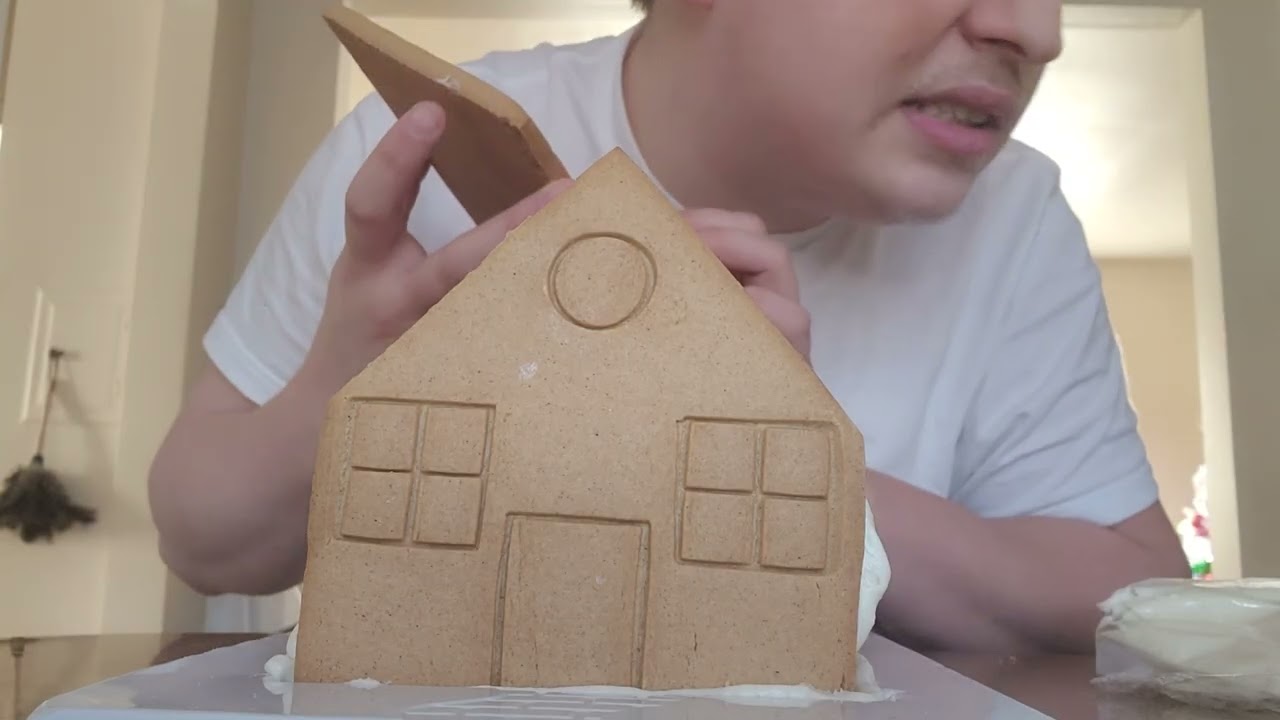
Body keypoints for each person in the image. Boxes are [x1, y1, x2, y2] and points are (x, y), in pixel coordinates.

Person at [148, 0, 1190, 655]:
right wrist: (349, 387)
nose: (1040, 30)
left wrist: (776, 456)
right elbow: (205, 538)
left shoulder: (1014, 217)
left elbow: (1119, 591)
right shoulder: (413, 150)